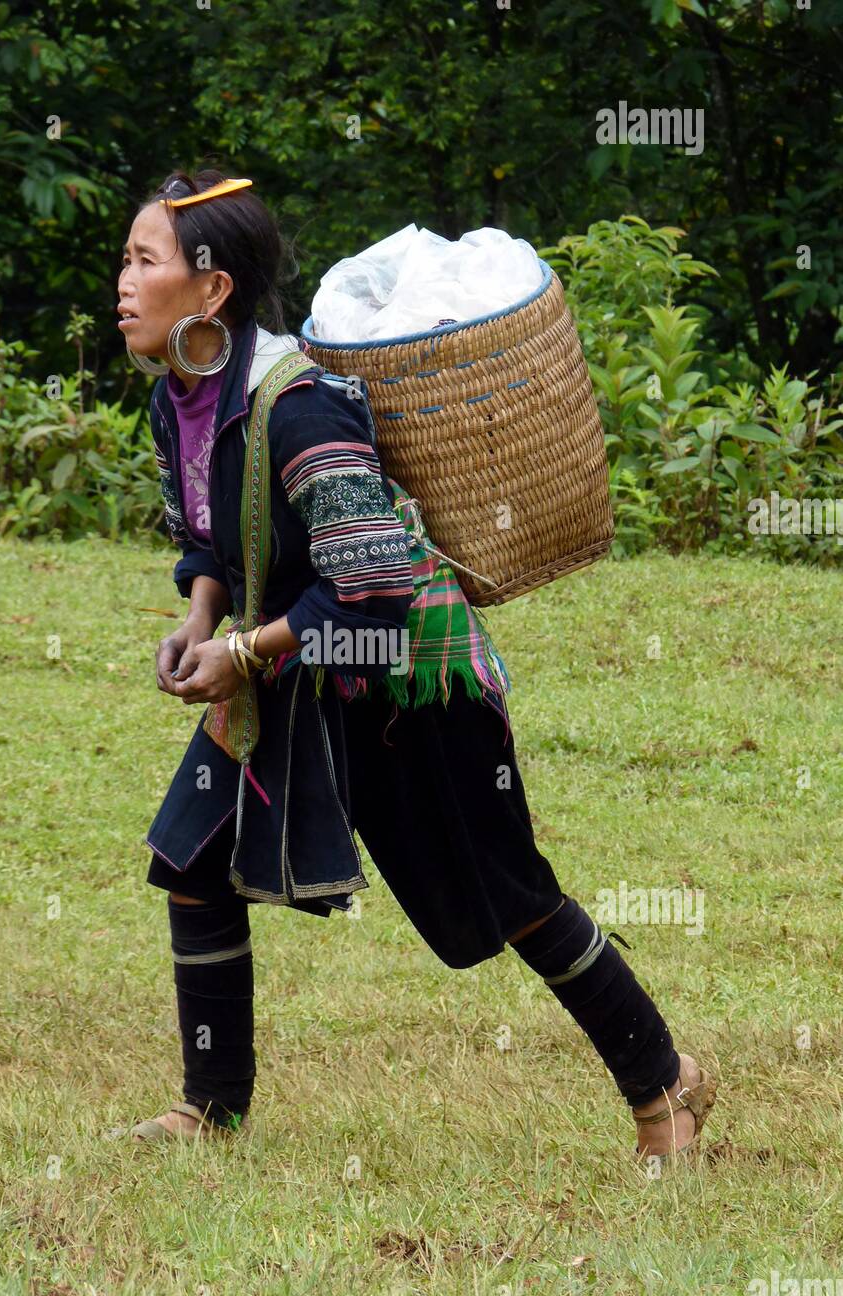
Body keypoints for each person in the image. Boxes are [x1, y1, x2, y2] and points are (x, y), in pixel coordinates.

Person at [117, 166, 717, 1162]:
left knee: (508, 895)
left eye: (144, 261)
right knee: (194, 860)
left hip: (404, 682)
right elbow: (208, 541)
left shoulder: (296, 408)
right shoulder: (180, 400)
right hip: (292, 677)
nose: (124, 284)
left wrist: (238, 651)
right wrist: (201, 617)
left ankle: (664, 1083)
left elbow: (374, 586)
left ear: (211, 288)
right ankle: (209, 1108)